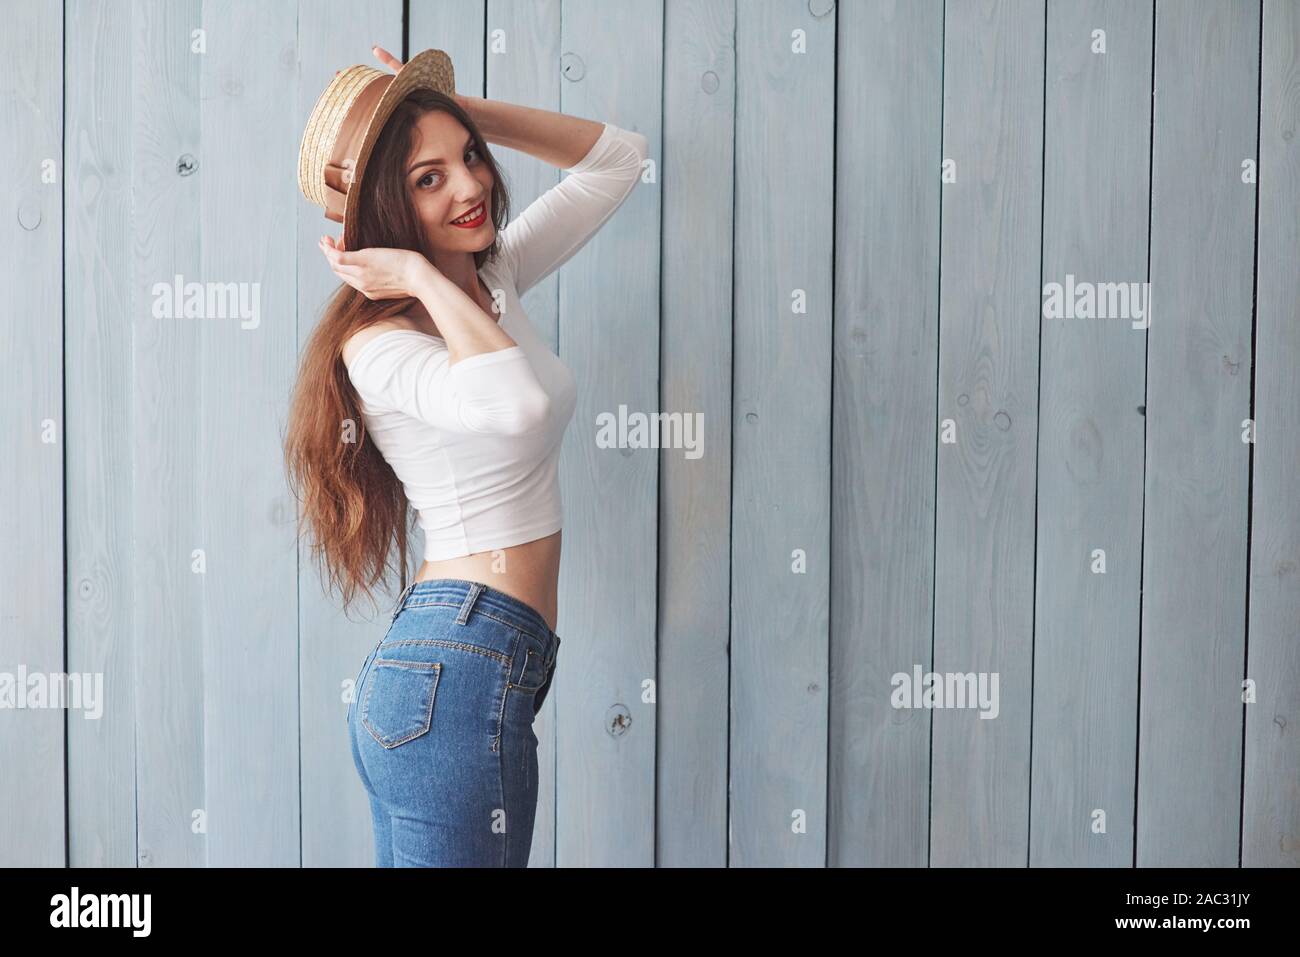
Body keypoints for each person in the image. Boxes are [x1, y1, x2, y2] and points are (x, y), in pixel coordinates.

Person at [284, 45, 648, 866]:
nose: (472, 186)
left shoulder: (493, 286)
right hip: (455, 670)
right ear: (386, 210)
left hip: (479, 662)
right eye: (427, 178)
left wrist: (447, 107)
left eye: (471, 159)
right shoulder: (378, 345)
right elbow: (513, 399)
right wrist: (416, 269)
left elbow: (618, 160)